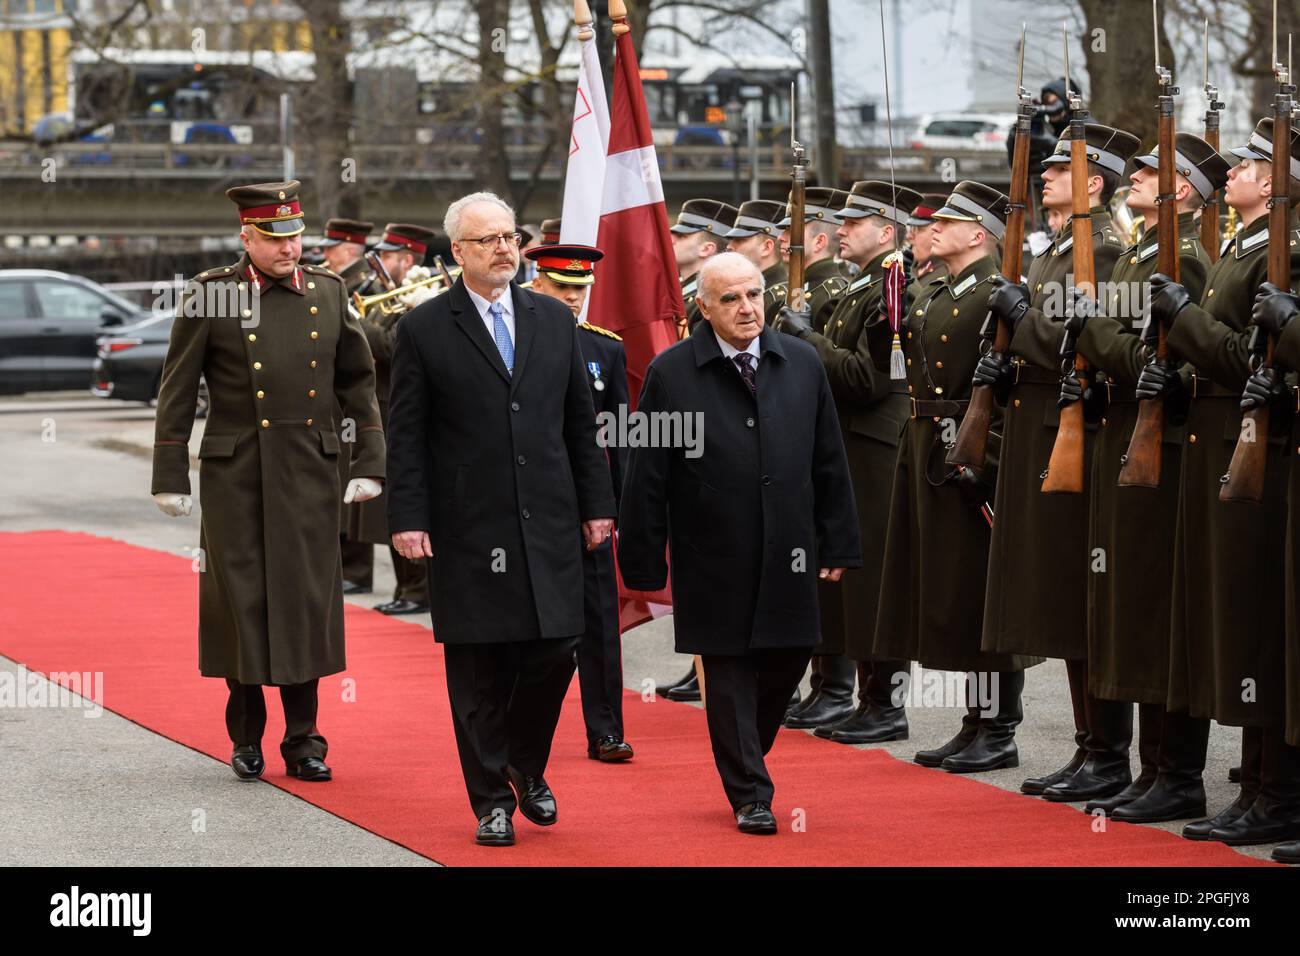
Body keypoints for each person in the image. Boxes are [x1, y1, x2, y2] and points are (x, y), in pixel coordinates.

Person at [385, 191, 616, 847]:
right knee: (481, 668)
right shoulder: (425, 328)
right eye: (488, 240)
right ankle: (491, 799)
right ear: (457, 251)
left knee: (554, 650)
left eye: (511, 237)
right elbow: (407, 434)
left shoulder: (551, 319)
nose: (505, 249)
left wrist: (598, 503)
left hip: (549, 518)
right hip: (468, 524)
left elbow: (580, 423)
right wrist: (408, 516)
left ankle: (524, 763)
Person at [151, 180, 385, 783]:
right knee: (242, 605)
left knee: (306, 602)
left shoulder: (329, 293)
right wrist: (169, 471)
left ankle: (305, 740)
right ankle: (246, 736)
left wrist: (369, 464)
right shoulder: (213, 296)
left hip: (309, 470)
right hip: (238, 475)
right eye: (274, 238)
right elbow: (177, 390)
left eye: (295, 235)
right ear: (246, 237)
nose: (289, 248)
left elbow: (358, 386)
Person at [619, 252, 860, 834]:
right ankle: (750, 791)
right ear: (704, 306)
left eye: (754, 294)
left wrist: (840, 545)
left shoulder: (801, 363)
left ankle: (747, 753)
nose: (748, 308)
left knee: (786, 663)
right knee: (727, 671)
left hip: (790, 550)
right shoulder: (671, 372)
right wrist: (644, 559)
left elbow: (829, 460)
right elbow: (646, 473)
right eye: (731, 299)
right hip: (711, 554)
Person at [1141, 118, 1300, 846]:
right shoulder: (1243, 248)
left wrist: (1182, 322)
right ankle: (1257, 788)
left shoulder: (1282, 250)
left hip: (1259, 447)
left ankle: (1275, 791)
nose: (1230, 171)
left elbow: (1244, 358)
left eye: (1245, 165)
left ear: (1272, 183)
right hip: (1222, 445)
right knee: (1235, 618)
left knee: (1259, 622)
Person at [973, 124, 1138, 801]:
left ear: (1093, 182)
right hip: (1040, 425)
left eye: (1057, 171)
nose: (1043, 178)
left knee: (1082, 596)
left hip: (1072, 431)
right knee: (1063, 598)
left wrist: (1025, 322)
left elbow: (1084, 343)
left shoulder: (1097, 248)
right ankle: (1089, 747)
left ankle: (1107, 754)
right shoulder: (1062, 247)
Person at [1071, 133, 1224, 821]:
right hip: (1125, 437)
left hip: (1159, 446)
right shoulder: (1141, 249)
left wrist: (1091, 335)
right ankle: (1145, 767)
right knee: (1131, 605)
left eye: (1150, 172)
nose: (1134, 177)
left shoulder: (1182, 255)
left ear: (1183, 189)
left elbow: (1175, 366)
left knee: (1159, 610)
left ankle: (1177, 773)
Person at [872, 181, 1038, 772]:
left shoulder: (998, 292)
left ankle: (999, 727)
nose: (932, 227)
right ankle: (975, 722)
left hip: (967, 448)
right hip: (927, 446)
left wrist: (987, 457)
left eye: (951, 220)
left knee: (977, 592)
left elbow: (1010, 387)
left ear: (980, 234)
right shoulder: (935, 289)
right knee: (946, 588)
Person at [775, 180, 922, 745]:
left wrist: (807, 338)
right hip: (847, 446)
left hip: (876, 449)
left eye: (854, 221)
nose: (840, 228)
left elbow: (868, 378)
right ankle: (846, 693)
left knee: (875, 581)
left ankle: (886, 703)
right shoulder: (862, 286)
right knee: (840, 577)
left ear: (887, 233)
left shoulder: (892, 287)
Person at [522, 241, 634, 763]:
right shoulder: (512, 335)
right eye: (562, 287)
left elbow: (619, 435)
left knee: (598, 619)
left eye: (580, 289)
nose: (573, 299)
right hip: (525, 500)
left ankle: (606, 728)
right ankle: (516, 724)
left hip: (585, 502)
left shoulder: (604, 348)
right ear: (536, 282)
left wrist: (619, 506)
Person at [775, 186, 855, 729]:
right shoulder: (811, 288)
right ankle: (823, 680)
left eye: (790, 232)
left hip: (851, 438)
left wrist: (808, 338)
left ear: (817, 239)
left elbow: (863, 377)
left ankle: (841, 685)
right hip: (805, 434)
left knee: (838, 567)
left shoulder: (835, 288)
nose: (780, 241)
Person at [354, 223, 440, 616]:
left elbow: (392, 346)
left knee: (406, 499)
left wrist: (357, 322)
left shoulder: (426, 296)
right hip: (385, 407)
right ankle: (408, 585)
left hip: (403, 410)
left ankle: (419, 588)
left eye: (387, 256)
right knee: (392, 503)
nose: (380, 263)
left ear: (407, 259)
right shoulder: (383, 296)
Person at [317, 217, 379, 596]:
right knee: (338, 487)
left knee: (356, 490)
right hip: (333, 407)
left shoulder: (359, 284)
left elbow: (374, 346)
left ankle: (357, 569)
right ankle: (345, 566)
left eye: (331, 248)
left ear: (350, 251)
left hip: (359, 405)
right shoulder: (336, 282)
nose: (324, 255)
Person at [670, 198, 738, 339]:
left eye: (682, 236)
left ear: (707, 249)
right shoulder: (679, 292)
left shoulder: (710, 301)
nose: (671, 240)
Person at [725, 199, 791, 326]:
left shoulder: (776, 299)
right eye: (731, 240)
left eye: (740, 240)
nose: (729, 246)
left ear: (766, 247)